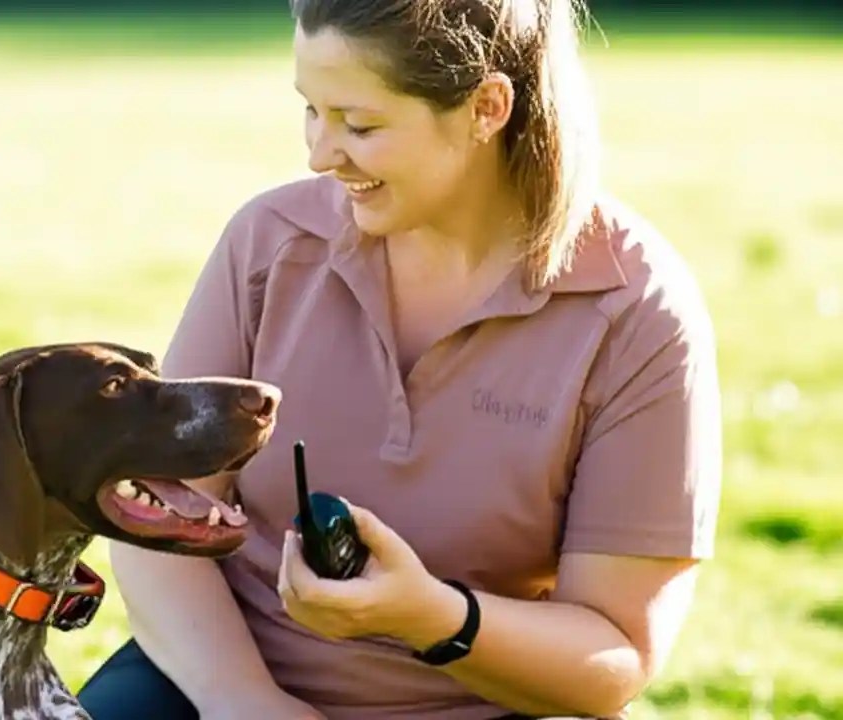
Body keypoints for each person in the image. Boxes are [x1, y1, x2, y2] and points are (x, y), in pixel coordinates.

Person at [76, 0, 723, 718]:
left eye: (360, 125)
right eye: (311, 112)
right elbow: (154, 518)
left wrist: (433, 618)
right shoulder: (271, 244)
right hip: (220, 680)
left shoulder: (635, 313)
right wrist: (247, 701)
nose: (321, 154)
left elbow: (614, 658)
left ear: (486, 108)